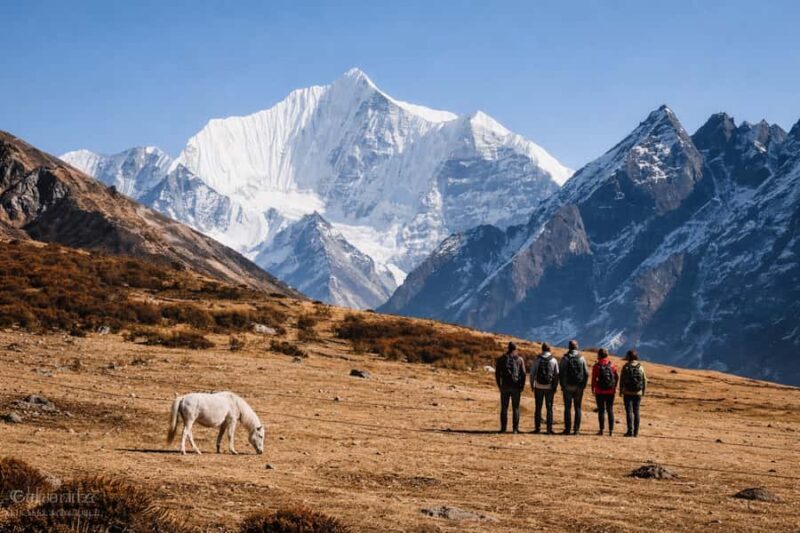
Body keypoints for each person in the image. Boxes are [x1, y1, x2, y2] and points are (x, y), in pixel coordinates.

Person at [495, 342, 526, 433]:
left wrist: (499, 385)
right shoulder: (519, 360)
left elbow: (497, 373)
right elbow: (523, 374)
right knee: (516, 408)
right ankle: (515, 429)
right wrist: (522, 386)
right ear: (515, 349)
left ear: (508, 348)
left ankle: (503, 428)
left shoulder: (501, 359)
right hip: (516, 387)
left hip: (504, 386)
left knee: (504, 408)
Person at [559, 340, 589, 435]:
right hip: (578, 387)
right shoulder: (582, 358)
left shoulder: (565, 358)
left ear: (569, 347)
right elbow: (586, 373)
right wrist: (583, 385)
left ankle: (567, 429)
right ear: (577, 347)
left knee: (567, 407)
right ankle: (576, 430)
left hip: (567, 386)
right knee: (578, 408)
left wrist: (562, 385)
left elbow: (561, 372)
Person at [530, 342, 559, 434]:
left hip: (538, 386)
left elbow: (532, 373)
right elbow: (556, 375)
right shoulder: (553, 360)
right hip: (549, 387)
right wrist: (555, 386)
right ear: (550, 349)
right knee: (549, 408)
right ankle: (549, 429)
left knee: (538, 407)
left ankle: (537, 428)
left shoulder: (537, 359)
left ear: (542, 349)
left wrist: (532, 385)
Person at [620, 349, 647, 437]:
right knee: (636, 412)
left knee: (629, 412)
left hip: (627, 392)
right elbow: (644, 380)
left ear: (628, 357)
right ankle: (636, 432)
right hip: (638, 392)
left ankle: (629, 431)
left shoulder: (626, 366)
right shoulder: (641, 367)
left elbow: (622, 380)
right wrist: (643, 391)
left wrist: (621, 391)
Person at [591, 348, 618, 436]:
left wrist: (593, 389)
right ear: (607, 355)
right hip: (610, 391)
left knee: (601, 411)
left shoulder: (596, 366)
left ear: (599, 355)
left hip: (600, 391)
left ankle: (601, 430)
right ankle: (611, 431)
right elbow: (616, 377)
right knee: (610, 410)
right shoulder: (612, 365)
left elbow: (594, 379)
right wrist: (614, 387)